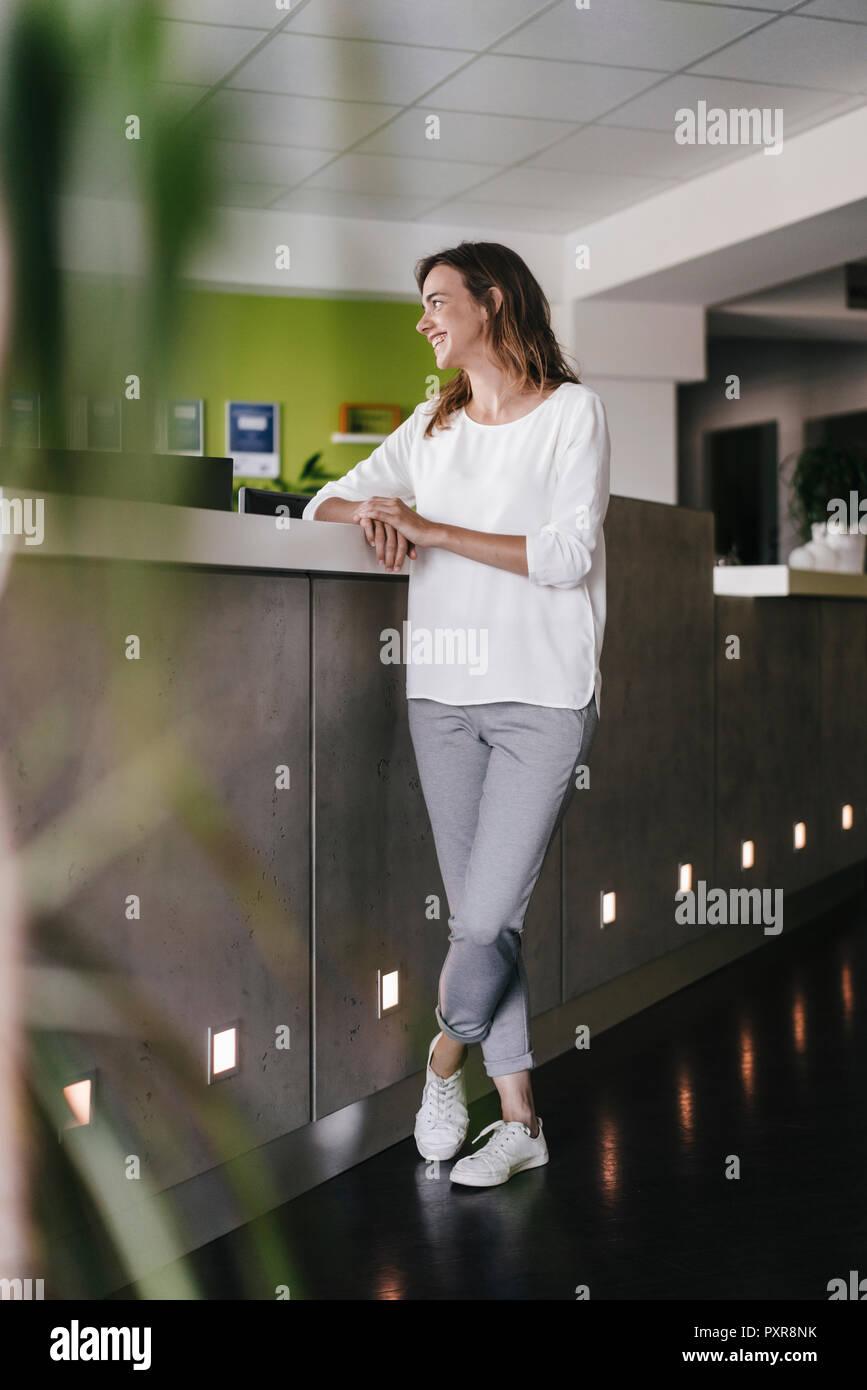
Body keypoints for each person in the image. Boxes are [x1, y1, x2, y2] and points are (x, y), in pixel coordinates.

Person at [302, 241, 610, 1188]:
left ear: (493, 302)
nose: (424, 320)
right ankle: (519, 1120)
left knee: (480, 920)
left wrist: (430, 529)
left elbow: (565, 554)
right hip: (440, 695)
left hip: (543, 697)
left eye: (438, 301)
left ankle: (440, 1066)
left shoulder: (571, 414)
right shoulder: (429, 426)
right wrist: (377, 514)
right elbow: (322, 502)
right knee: (490, 927)